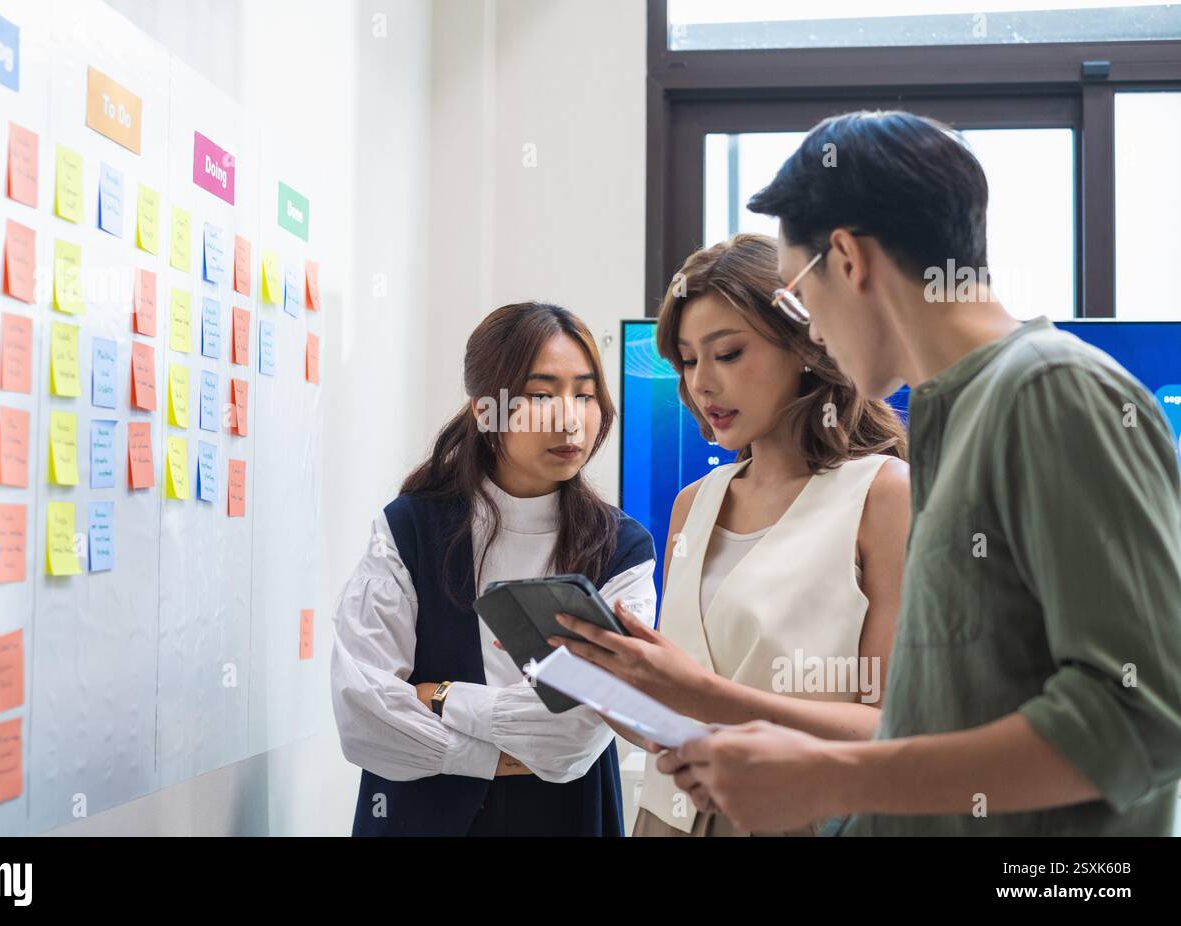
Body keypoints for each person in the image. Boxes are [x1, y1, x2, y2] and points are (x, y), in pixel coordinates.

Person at [655, 110, 1181, 835]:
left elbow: (1143, 715)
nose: (808, 328)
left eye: (794, 295)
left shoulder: (1048, 390)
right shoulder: (951, 417)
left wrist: (826, 776)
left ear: (848, 258)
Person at [550, 233, 911, 836]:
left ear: (806, 344)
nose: (701, 384)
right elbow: (674, 721)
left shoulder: (882, 494)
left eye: (728, 353)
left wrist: (705, 694)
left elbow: (894, 729)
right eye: (688, 360)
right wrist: (592, 676)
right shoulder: (693, 504)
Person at [331, 301, 657, 836]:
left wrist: (439, 696)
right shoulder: (409, 528)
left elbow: (575, 736)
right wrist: (504, 755)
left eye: (585, 393)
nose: (569, 416)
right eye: (541, 394)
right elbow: (364, 718)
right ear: (486, 409)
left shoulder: (620, 549)